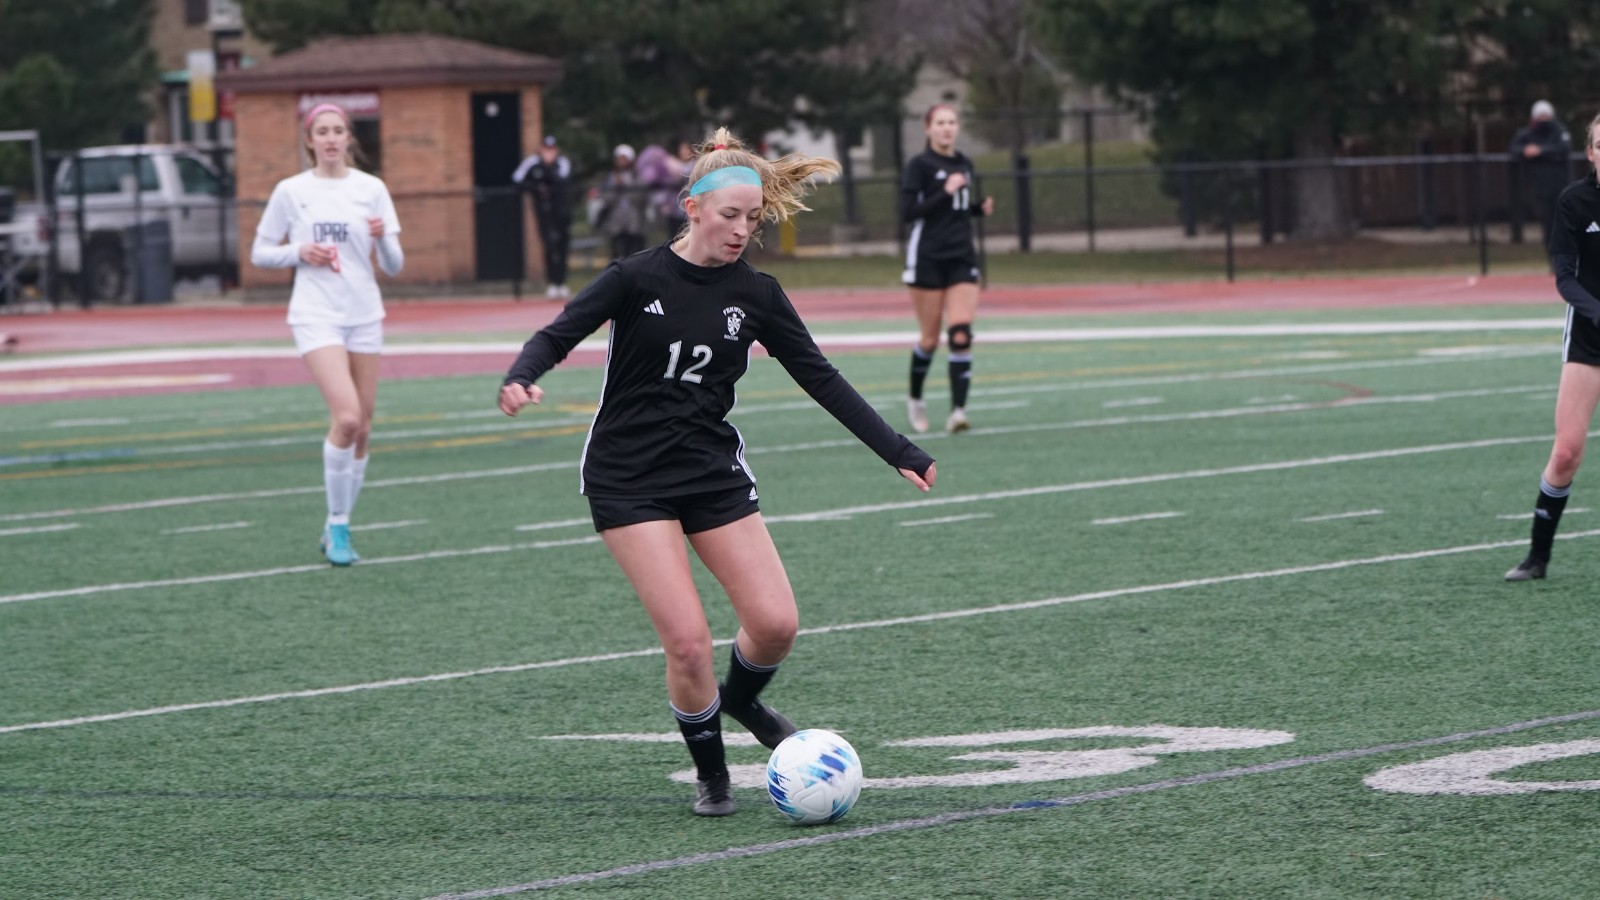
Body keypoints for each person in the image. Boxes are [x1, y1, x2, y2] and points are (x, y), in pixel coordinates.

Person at [497, 127, 936, 816]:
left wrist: (898, 450)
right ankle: (713, 776)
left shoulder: (757, 293)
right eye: (730, 215)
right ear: (692, 206)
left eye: (753, 218)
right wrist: (522, 376)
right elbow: (558, 332)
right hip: (628, 477)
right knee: (690, 643)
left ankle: (741, 702)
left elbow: (820, 377)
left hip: (710, 470)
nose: (741, 230)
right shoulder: (636, 276)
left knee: (776, 623)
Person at [251, 103, 404, 566]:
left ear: (348, 138)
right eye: (323, 131)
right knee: (348, 418)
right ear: (310, 139)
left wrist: (383, 239)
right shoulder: (292, 191)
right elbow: (260, 252)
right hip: (316, 314)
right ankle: (338, 523)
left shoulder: (371, 189)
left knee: (363, 430)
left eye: (339, 130)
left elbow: (395, 266)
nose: (332, 138)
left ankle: (336, 524)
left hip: (363, 313)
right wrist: (299, 252)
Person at [1505, 112, 1600, 582]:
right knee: (1566, 453)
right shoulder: (1575, 202)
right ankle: (1537, 557)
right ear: (1591, 152)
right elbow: (1564, 277)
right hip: (1589, 336)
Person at [899, 102, 995, 435]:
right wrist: (946, 190)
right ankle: (915, 397)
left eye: (952, 122)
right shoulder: (919, 165)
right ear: (928, 128)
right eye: (940, 122)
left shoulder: (964, 163)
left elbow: (954, 211)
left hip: (961, 257)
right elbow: (910, 212)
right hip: (926, 258)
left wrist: (976, 210)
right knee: (929, 340)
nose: (947, 128)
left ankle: (958, 412)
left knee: (960, 333)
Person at [512, 133, 574, 298]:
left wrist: (546, 171)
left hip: (561, 212)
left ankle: (562, 283)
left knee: (563, 247)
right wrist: (535, 186)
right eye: (546, 149)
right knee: (549, 247)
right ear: (541, 149)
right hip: (543, 214)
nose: (549, 153)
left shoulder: (562, 162)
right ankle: (552, 283)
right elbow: (517, 180)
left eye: (552, 149)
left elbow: (562, 180)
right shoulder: (532, 163)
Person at [1509, 100, 1573, 257]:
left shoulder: (1559, 131)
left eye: (1546, 115)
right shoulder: (1528, 133)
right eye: (1540, 116)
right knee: (1548, 224)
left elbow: (1564, 148)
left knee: (1568, 223)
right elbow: (1514, 149)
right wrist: (1525, 150)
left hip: (1562, 187)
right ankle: (1554, 260)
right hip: (1541, 188)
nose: (1544, 119)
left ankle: (1572, 258)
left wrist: (1541, 151)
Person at [594, 143, 647, 260]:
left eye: (624, 159)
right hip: (617, 225)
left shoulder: (637, 177)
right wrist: (617, 188)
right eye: (619, 159)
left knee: (635, 256)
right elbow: (606, 200)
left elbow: (642, 198)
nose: (621, 162)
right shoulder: (610, 178)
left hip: (634, 224)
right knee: (617, 256)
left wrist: (627, 186)